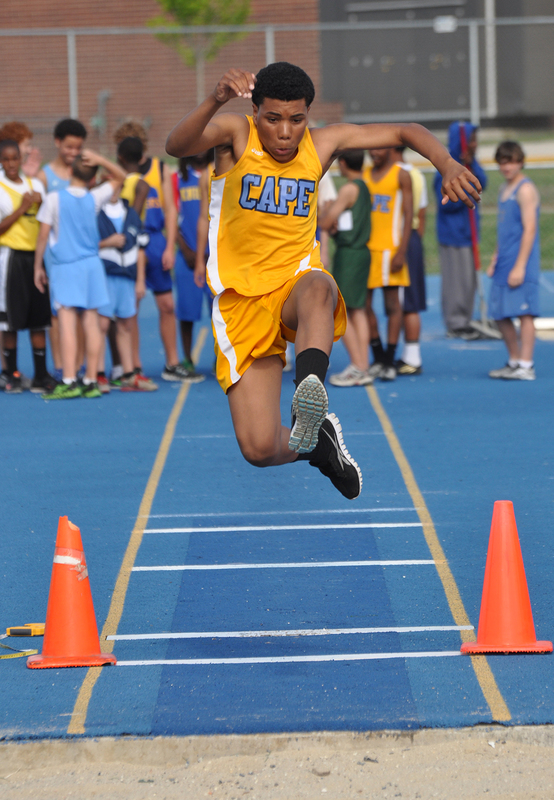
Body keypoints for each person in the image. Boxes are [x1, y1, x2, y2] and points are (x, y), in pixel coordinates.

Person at [165, 63, 481, 500]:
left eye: (296, 120)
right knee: (258, 448)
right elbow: (176, 145)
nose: (284, 132)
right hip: (240, 302)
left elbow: (407, 131)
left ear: (308, 115)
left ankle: (308, 391)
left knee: (319, 285)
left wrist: (445, 163)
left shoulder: (323, 143)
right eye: (273, 119)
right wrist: (217, 98)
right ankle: (317, 446)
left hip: (293, 284)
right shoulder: (236, 134)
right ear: (255, 111)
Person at [33, 153, 124, 399]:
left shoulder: (54, 199)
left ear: (71, 171)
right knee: (92, 324)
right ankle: (92, 379)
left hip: (66, 267)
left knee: (66, 324)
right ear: (93, 177)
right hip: (92, 266)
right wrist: (100, 158)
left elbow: (43, 237)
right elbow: (122, 176)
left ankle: (69, 379)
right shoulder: (94, 197)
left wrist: (38, 267)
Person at [114, 122, 189, 382]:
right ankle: (133, 365)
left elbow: (170, 209)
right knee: (130, 306)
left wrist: (170, 246)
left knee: (167, 304)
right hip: (130, 241)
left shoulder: (159, 168)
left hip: (156, 240)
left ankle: (172, 362)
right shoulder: (118, 173)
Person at [0, 139, 55, 393]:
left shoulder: (35, 186)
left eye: (15, 158)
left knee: (38, 318)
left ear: (21, 160)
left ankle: (41, 375)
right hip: (11, 257)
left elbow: (48, 220)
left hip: (35, 258)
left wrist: (40, 203)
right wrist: (22, 207)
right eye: (6, 159)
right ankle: (10, 373)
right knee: (10, 319)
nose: (11, 163)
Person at [97, 168, 158, 393]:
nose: (112, 191)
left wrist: (140, 280)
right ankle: (97, 374)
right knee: (101, 325)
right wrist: (108, 242)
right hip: (104, 276)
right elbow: (85, 246)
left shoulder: (131, 213)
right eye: (107, 186)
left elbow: (140, 247)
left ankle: (128, 373)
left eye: (116, 186)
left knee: (125, 324)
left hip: (127, 279)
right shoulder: (95, 213)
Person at [38, 118, 89, 380]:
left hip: (80, 255)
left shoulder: (82, 174)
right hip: (55, 257)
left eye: (77, 148)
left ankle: (79, 364)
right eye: (68, 147)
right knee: (57, 313)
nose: (73, 153)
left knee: (80, 310)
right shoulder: (44, 176)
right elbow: (41, 221)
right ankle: (60, 365)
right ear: (58, 143)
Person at [487, 141, 540, 381]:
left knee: (524, 313)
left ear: (520, 162)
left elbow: (530, 229)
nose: (507, 167)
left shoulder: (525, 190)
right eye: (503, 162)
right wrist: (495, 259)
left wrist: (520, 265)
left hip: (522, 260)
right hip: (505, 259)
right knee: (499, 314)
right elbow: (503, 229)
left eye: (512, 161)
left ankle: (526, 365)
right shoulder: (504, 190)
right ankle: (514, 360)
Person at [319, 149, 372, 387]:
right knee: (358, 310)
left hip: (348, 254)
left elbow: (328, 221)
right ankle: (364, 364)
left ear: (342, 162)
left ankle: (357, 365)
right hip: (362, 252)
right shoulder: (365, 186)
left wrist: (325, 216)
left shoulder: (349, 189)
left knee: (343, 311)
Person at [433, 121, 487, 340]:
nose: (475, 144)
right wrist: (465, 193)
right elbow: (445, 200)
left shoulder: (469, 164)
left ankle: (465, 318)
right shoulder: (447, 167)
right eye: (471, 140)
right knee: (455, 280)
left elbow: (482, 182)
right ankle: (455, 321)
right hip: (452, 233)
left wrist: (472, 164)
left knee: (468, 280)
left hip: (468, 233)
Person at [363, 146, 413, 381]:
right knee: (364, 304)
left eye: (379, 148)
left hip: (391, 250)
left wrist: (402, 250)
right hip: (367, 249)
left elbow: (408, 215)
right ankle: (378, 356)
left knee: (393, 305)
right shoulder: (364, 174)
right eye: (371, 149)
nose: (374, 152)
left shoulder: (401, 174)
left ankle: (391, 359)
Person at [172, 152, 214, 382]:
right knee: (186, 311)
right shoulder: (177, 178)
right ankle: (187, 358)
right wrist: (186, 249)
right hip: (187, 255)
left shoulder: (218, 173)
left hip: (216, 255)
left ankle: (222, 356)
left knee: (221, 311)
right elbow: (171, 217)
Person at [392, 146, 428, 375]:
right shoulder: (416, 173)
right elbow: (422, 213)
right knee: (407, 299)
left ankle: (413, 357)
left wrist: (403, 247)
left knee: (407, 301)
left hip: (398, 240)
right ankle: (409, 354)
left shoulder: (393, 174)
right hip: (412, 237)